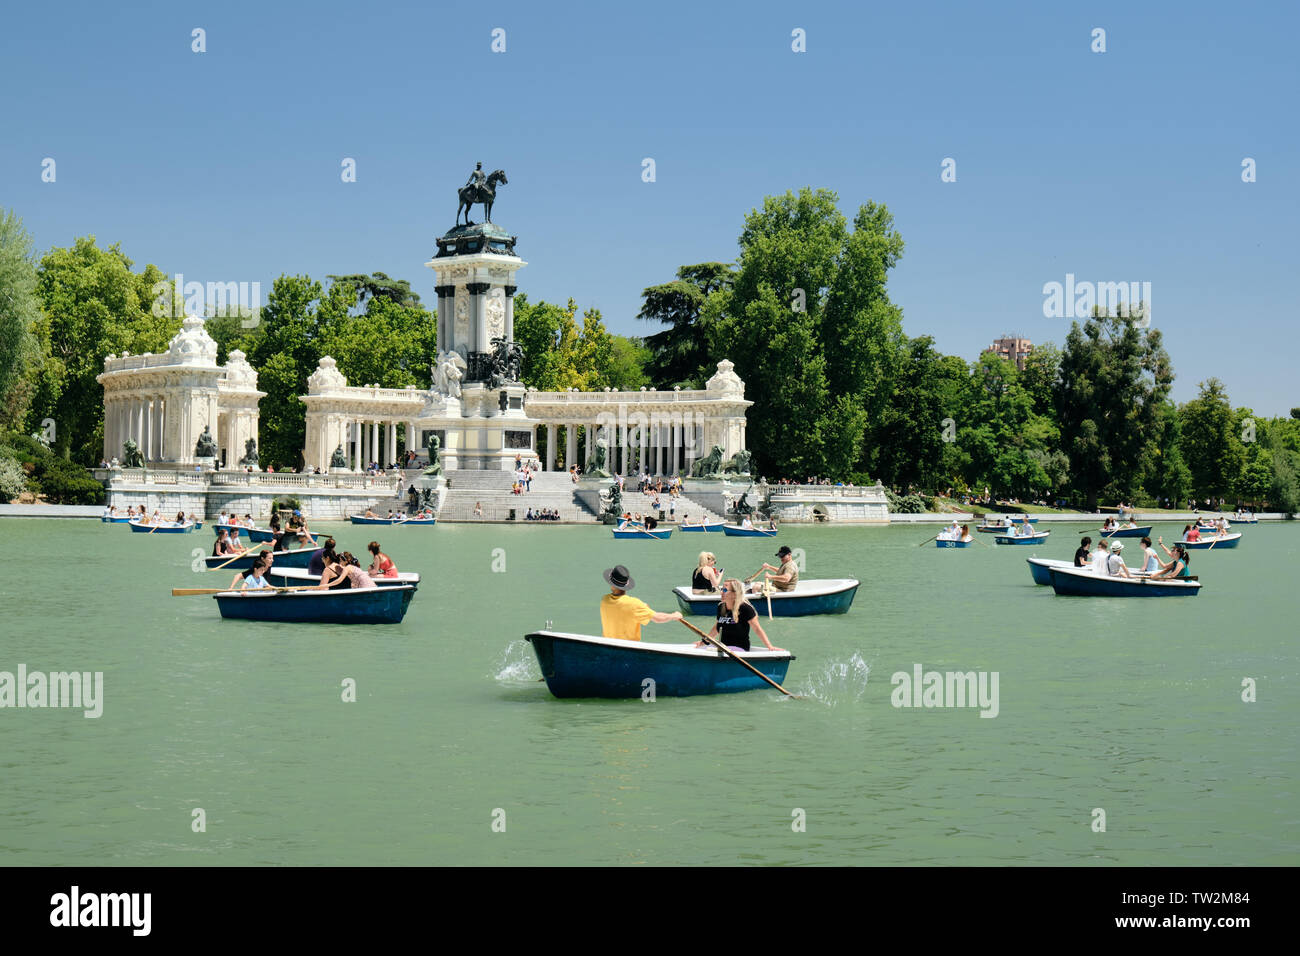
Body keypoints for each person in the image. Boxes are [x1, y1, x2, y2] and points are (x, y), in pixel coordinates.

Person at [696, 579, 784, 653]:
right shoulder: (721, 607)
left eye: (725, 590)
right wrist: (703, 642)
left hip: (739, 649)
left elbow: (757, 629)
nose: (722, 592)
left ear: (735, 594)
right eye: (721, 589)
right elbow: (716, 628)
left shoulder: (745, 608)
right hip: (723, 647)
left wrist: (770, 647)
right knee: (697, 649)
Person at [598, 565, 682, 641]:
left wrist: (643, 608)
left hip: (609, 648)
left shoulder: (604, 600)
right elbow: (657, 618)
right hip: (629, 651)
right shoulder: (634, 604)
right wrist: (674, 616)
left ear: (611, 584)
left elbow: (622, 609)